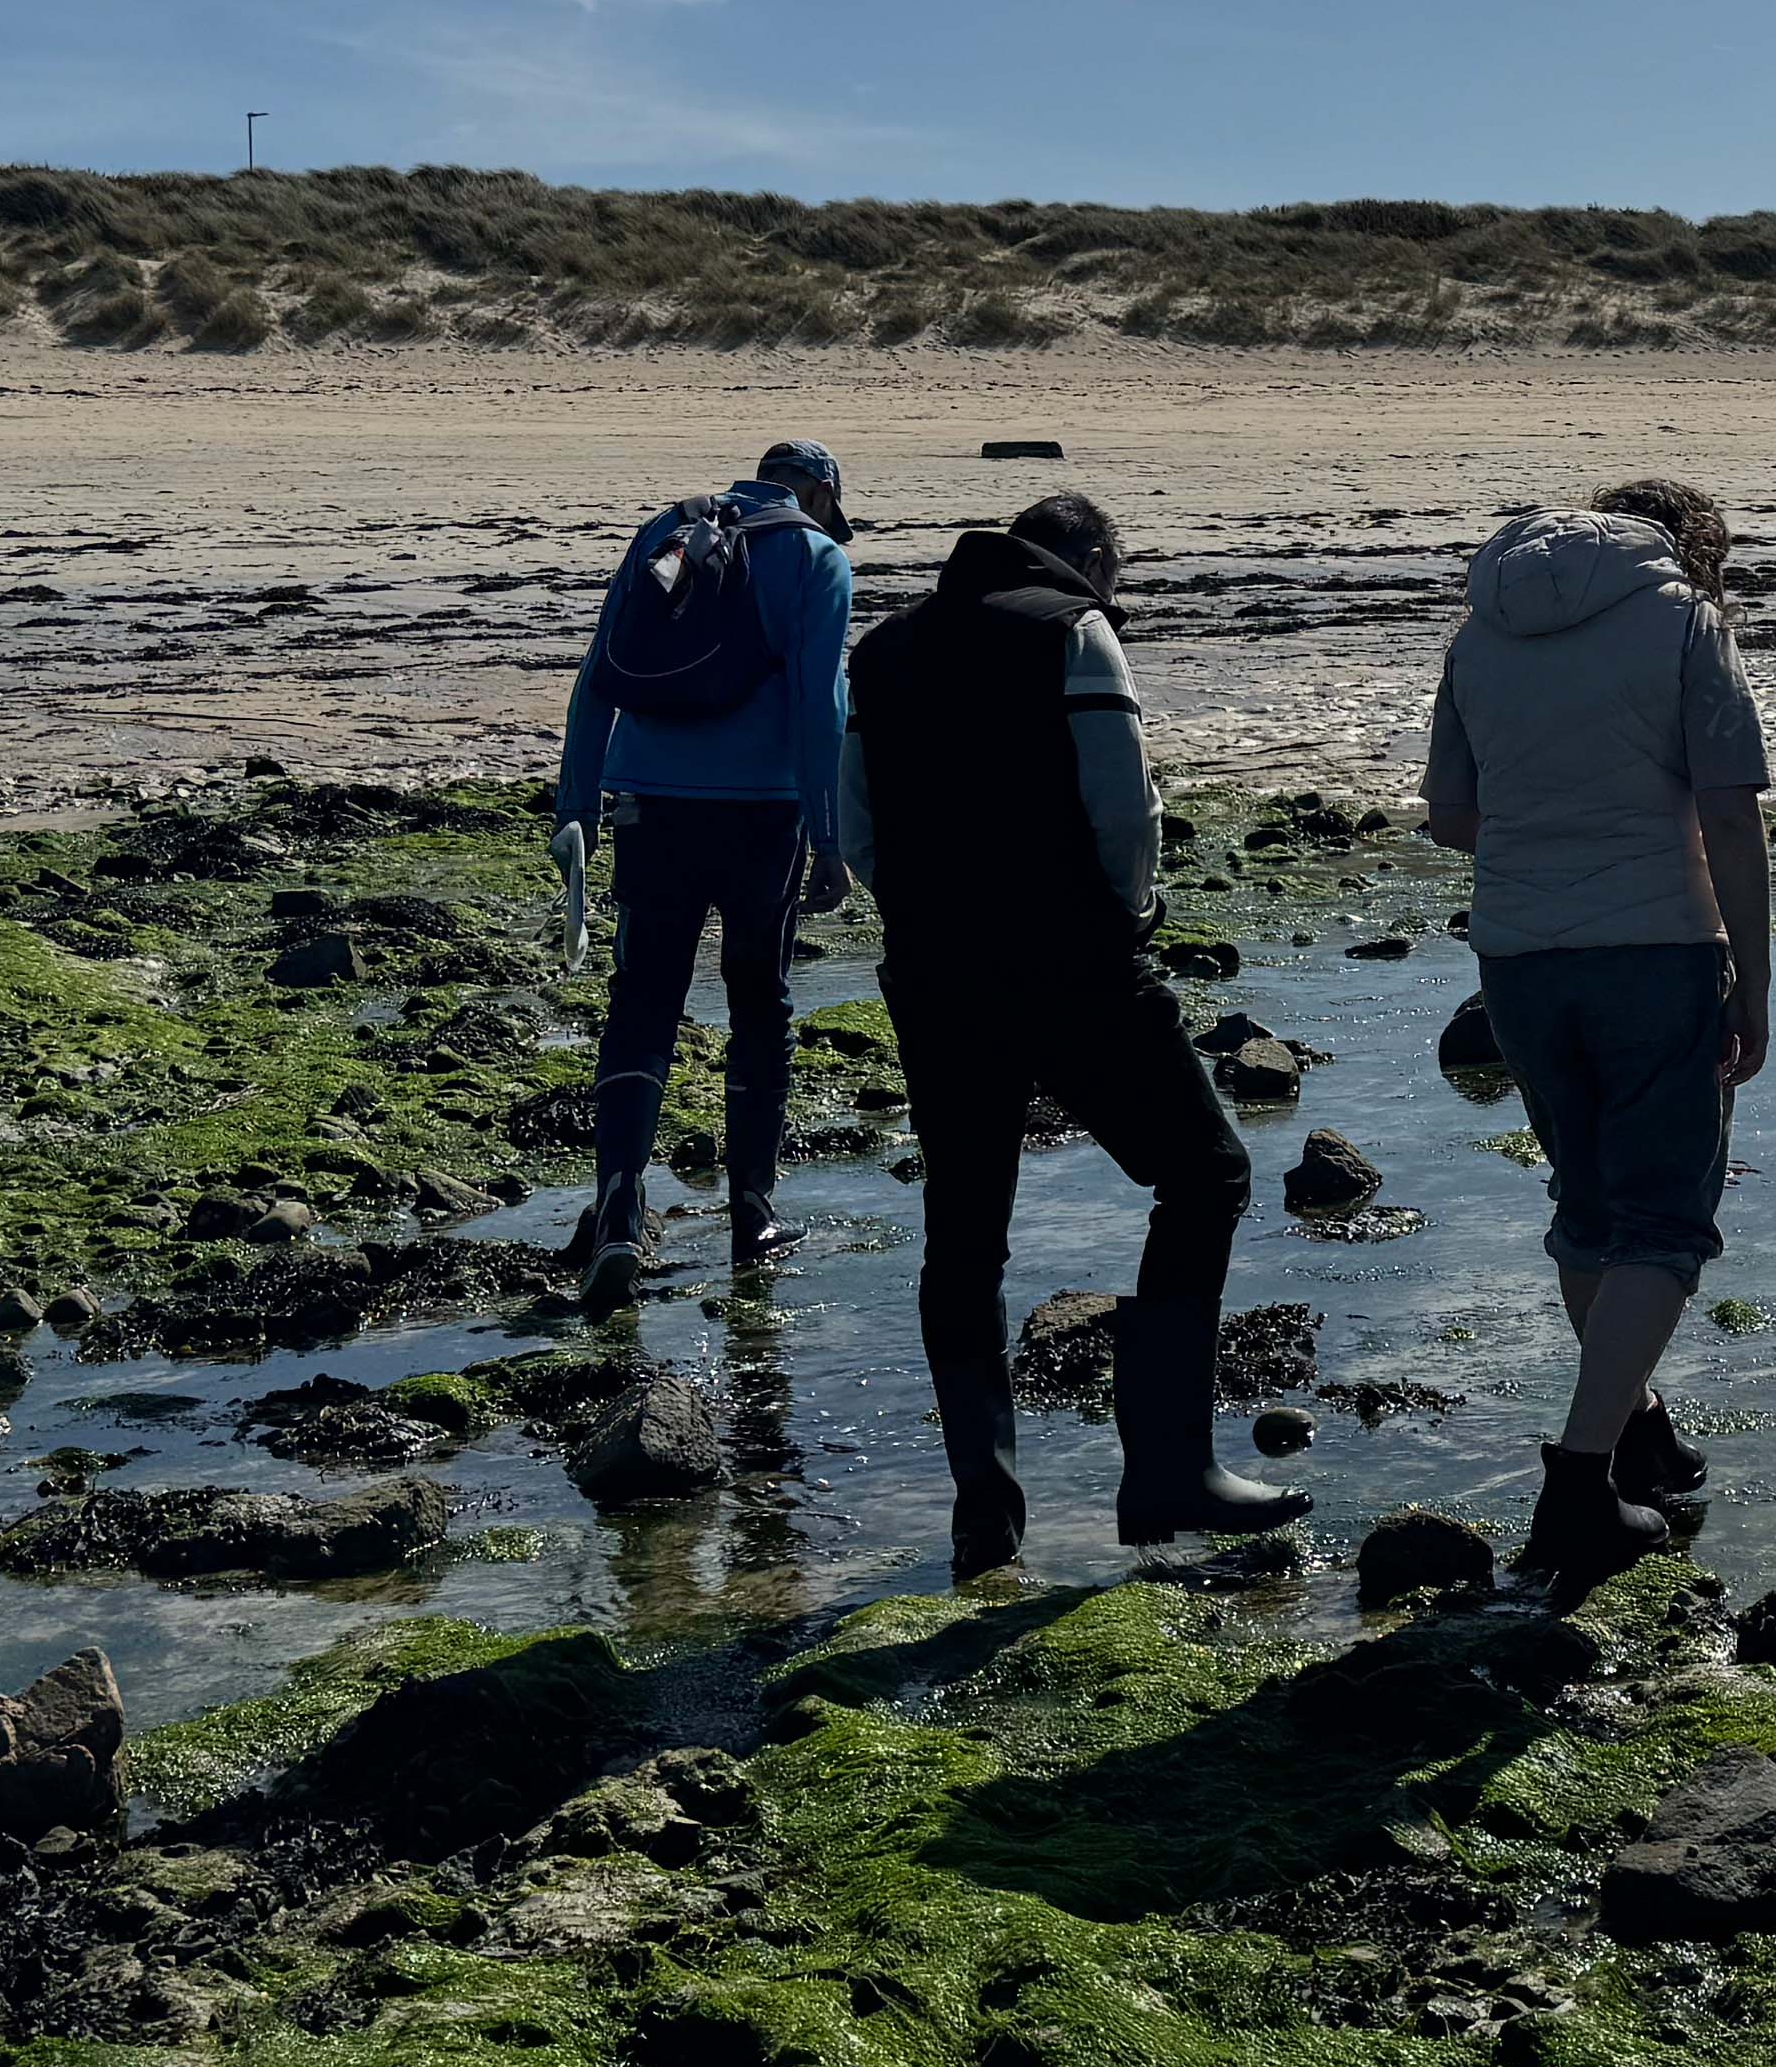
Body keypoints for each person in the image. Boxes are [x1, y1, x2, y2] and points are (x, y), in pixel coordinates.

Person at [841, 489, 1305, 1568]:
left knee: (964, 1236)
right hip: (1071, 964)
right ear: (1097, 561)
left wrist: (922, 916)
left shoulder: (887, 647)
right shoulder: (1075, 629)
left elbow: (854, 822)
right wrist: (1134, 911)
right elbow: (1123, 808)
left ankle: (986, 1516)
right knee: (1206, 1176)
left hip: (934, 973)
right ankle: (1167, 1470)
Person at [1423, 478, 1774, 1576]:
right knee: (1665, 1226)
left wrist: (1548, 822)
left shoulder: (1479, 632)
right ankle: (1578, 1481)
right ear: (1689, 549)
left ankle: (1635, 1431)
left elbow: (1450, 817)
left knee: (1587, 1210)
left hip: (1520, 960)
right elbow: (1728, 809)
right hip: (1657, 952)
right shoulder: (1685, 624)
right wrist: (1754, 983)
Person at [552, 439, 857, 1291]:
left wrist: (575, 806)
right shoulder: (817, 554)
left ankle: (618, 1205)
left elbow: (599, 674)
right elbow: (819, 705)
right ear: (825, 495)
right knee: (760, 1002)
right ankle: (752, 1216)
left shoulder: (665, 528)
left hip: (647, 804)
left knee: (643, 1001)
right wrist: (829, 838)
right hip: (762, 817)